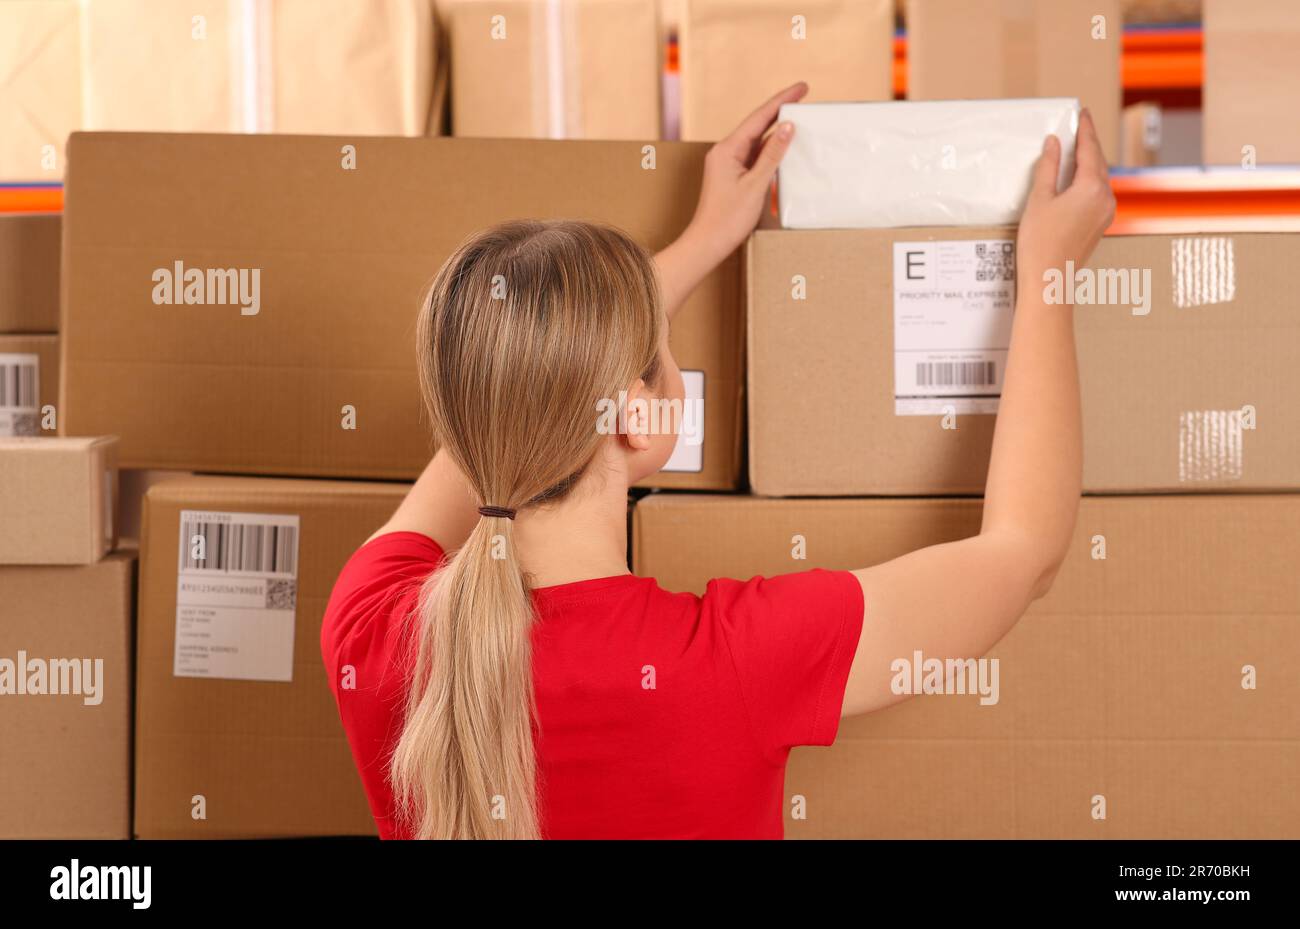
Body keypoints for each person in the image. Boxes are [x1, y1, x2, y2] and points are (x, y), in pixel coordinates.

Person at [321, 83, 1116, 840]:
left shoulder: (367, 630)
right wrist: (1049, 271)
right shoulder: (733, 662)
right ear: (634, 414)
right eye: (665, 354)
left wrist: (704, 238)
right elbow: (1026, 551)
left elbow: (502, 405)